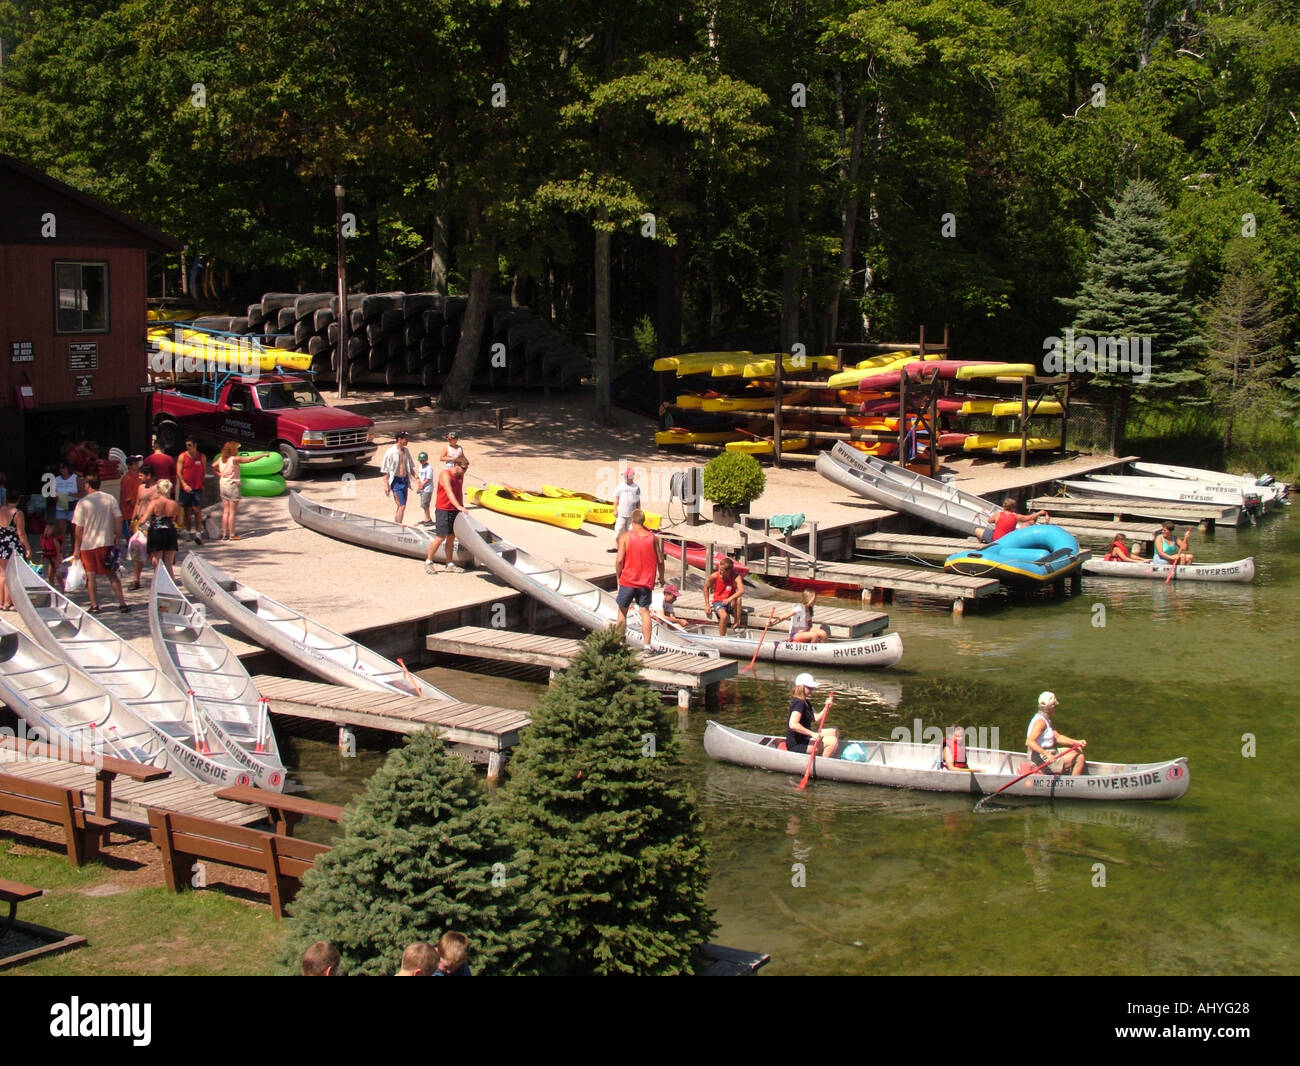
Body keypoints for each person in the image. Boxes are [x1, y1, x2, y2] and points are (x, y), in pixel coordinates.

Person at [72, 475, 128, 614]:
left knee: (91, 577)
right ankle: (122, 603)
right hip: (106, 542)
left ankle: (95, 605)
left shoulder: (83, 503)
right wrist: (116, 536)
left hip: (88, 544)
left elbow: (78, 528)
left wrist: (76, 548)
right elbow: (119, 518)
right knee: (112, 574)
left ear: (87, 485)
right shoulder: (109, 499)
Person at [615, 509, 664, 646]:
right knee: (645, 611)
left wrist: (619, 575)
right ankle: (647, 646)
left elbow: (619, 560)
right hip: (646, 582)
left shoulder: (625, 537)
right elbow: (660, 560)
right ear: (643, 521)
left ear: (632, 520)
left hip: (628, 580)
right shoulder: (653, 538)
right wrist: (662, 577)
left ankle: (620, 644)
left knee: (622, 612)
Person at [212, 441, 269, 541]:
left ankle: (224, 533)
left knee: (226, 511)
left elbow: (213, 467)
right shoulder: (234, 459)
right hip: (233, 486)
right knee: (232, 512)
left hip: (223, 484)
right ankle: (232, 534)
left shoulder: (221, 459)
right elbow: (250, 459)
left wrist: (219, 474)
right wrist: (263, 455)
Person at [423, 457, 470, 574]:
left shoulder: (460, 476)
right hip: (443, 509)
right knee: (440, 537)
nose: (465, 471)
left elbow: (458, 493)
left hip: (454, 510)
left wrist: (461, 507)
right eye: (463, 468)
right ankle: (428, 562)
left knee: (451, 537)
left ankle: (449, 564)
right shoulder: (445, 474)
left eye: (466, 468)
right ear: (456, 465)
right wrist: (459, 507)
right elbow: (449, 492)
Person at [1026, 691, 1087, 776]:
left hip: (1049, 752)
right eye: (1055, 706)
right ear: (1050, 708)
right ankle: (1072, 785)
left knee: (1078, 749)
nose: (1055, 709)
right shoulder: (1041, 722)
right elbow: (1029, 742)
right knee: (1080, 757)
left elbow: (1058, 738)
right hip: (1040, 759)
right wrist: (1046, 754)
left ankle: (1068, 775)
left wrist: (1077, 742)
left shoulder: (1045, 720)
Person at [785, 674, 838, 758]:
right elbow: (793, 724)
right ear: (801, 687)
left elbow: (818, 719)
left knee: (834, 731)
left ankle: (827, 752)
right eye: (809, 687)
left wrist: (826, 707)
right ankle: (823, 764)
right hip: (797, 744)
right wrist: (812, 734)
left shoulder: (806, 702)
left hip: (805, 737)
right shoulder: (799, 703)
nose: (812, 689)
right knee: (832, 741)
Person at [141, 479, 183, 577]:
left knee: (157, 563)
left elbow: (143, 520)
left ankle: (159, 586)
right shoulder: (175, 504)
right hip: (170, 532)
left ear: (159, 489)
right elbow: (180, 522)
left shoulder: (154, 503)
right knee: (169, 564)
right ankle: (171, 587)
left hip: (156, 532)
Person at [0, 492, 33, 611]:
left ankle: (1, 601)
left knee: (2, 574)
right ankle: (8, 603)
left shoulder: (1, 510)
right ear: (18, 500)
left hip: (1, 544)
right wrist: (28, 548)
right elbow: (21, 533)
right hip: (12, 545)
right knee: (12, 575)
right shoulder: (18, 513)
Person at [976, 497, 1049, 543]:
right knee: (1025, 525)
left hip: (996, 539)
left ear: (1004, 507)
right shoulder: (1016, 516)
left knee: (977, 530)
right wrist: (1040, 512)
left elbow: (989, 521)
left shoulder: (998, 514)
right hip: (1009, 540)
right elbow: (1030, 517)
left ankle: (982, 541)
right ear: (1013, 508)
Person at [381, 430, 417, 524]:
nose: (407, 440)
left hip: (404, 480)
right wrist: (386, 485)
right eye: (406, 438)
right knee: (402, 505)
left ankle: (396, 524)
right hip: (396, 481)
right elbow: (385, 470)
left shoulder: (406, 451)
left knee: (401, 505)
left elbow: (410, 465)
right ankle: (398, 526)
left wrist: (416, 477)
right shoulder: (390, 452)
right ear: (399, 439)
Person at [177, 438, 207, 545]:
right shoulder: (182, 456)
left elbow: (203, 471)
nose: (188, 447)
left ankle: (198, 532)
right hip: (185, 488)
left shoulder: (202, 457)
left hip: (197, 487)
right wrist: (184, 484)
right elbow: (179, 472)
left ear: (195, 445)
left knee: (197, 510)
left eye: (190, 445)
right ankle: (188, 531)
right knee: (187, 511)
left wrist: (201, 483)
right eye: (186, 445)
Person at [704, 556, 743, 636]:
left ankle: (736, 623)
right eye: (719, 569)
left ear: (729, 571)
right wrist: (707, 604)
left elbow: (741, 590)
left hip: (730, 602)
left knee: (739, 599)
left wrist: (729, 599)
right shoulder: (714, 576)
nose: (720, 571)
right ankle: (722, 637)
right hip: (718, 601)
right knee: (724, 616)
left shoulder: (736, 577)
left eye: (722, 570)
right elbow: (706, 588)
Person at [609, 468, 640, 551]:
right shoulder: (620, 486)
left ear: (631, 477)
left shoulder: (636, 487)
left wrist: (639, 512)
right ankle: (616, 547)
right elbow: (616, 499)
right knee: (618, 531)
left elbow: (638, 500)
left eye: (626, 476)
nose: (625, 478)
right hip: (622, 514)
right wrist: (615, 509)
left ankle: (627, 548)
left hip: (631, 515)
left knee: (630, 531)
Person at [52, 460, 81, 542]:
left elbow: (83, 492)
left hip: (73, 506)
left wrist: (74, 495)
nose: (62, 470)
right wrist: (56, 497)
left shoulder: (75, 478)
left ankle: (74, 550)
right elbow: (53, 493)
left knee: (74, 530)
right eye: (60, 468)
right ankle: (60, 551)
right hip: (61, 506)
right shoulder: (56, 479)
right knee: (61, 531)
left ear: (68, 468)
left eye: (63, 467)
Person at [118, 455, 145, 540]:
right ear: (129, 465)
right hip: (129, 512)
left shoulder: (139, 477)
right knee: (131, 535)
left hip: (138, 510)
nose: (137, 464)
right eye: (134, 463)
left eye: (137, 462)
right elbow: (130, 499)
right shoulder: (126, 479)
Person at [415, 451, 435, 525]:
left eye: (423, 460)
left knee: (425, 504)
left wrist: (422, 485)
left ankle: (428, 519)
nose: (421, 462)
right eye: (420, 460)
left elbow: (428, 478)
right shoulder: (421, 467)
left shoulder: (429, 467)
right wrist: (419, 484)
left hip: (427, 488)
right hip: (422, 488)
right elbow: (420, 477)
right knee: (423, 504)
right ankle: (426, 518)